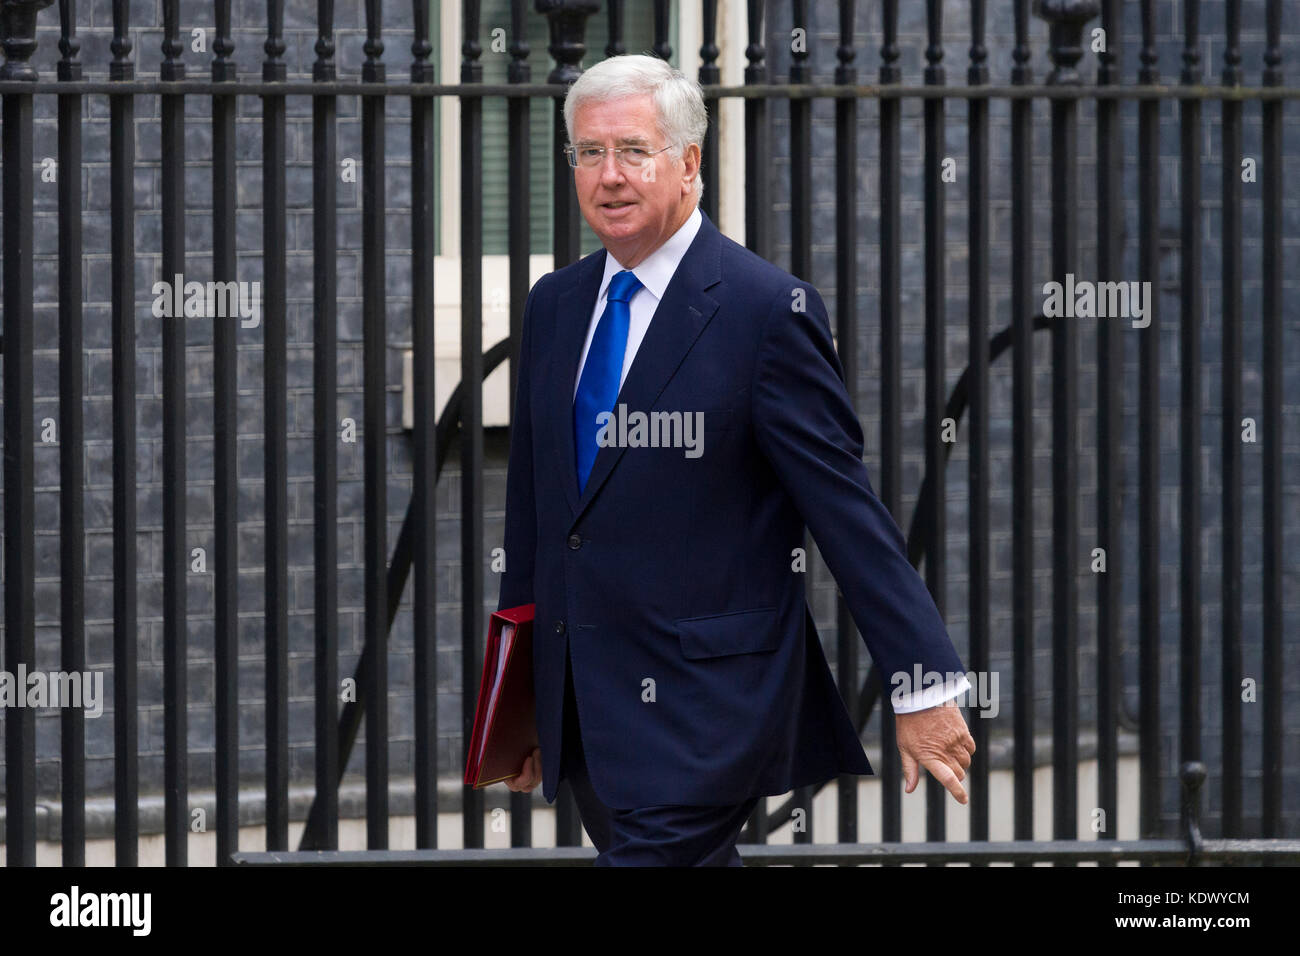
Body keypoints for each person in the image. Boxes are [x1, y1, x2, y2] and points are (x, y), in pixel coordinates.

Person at [495, 54, 975, 866]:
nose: (608, 176)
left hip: (702, 714)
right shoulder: (556, 303)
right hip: (586, 710)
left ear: (689, 163)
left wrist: (922, 681)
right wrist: (525, 702)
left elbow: (843, 506)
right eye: (588, 153)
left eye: (633, 151)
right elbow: (538, 513)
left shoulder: (763, 311)